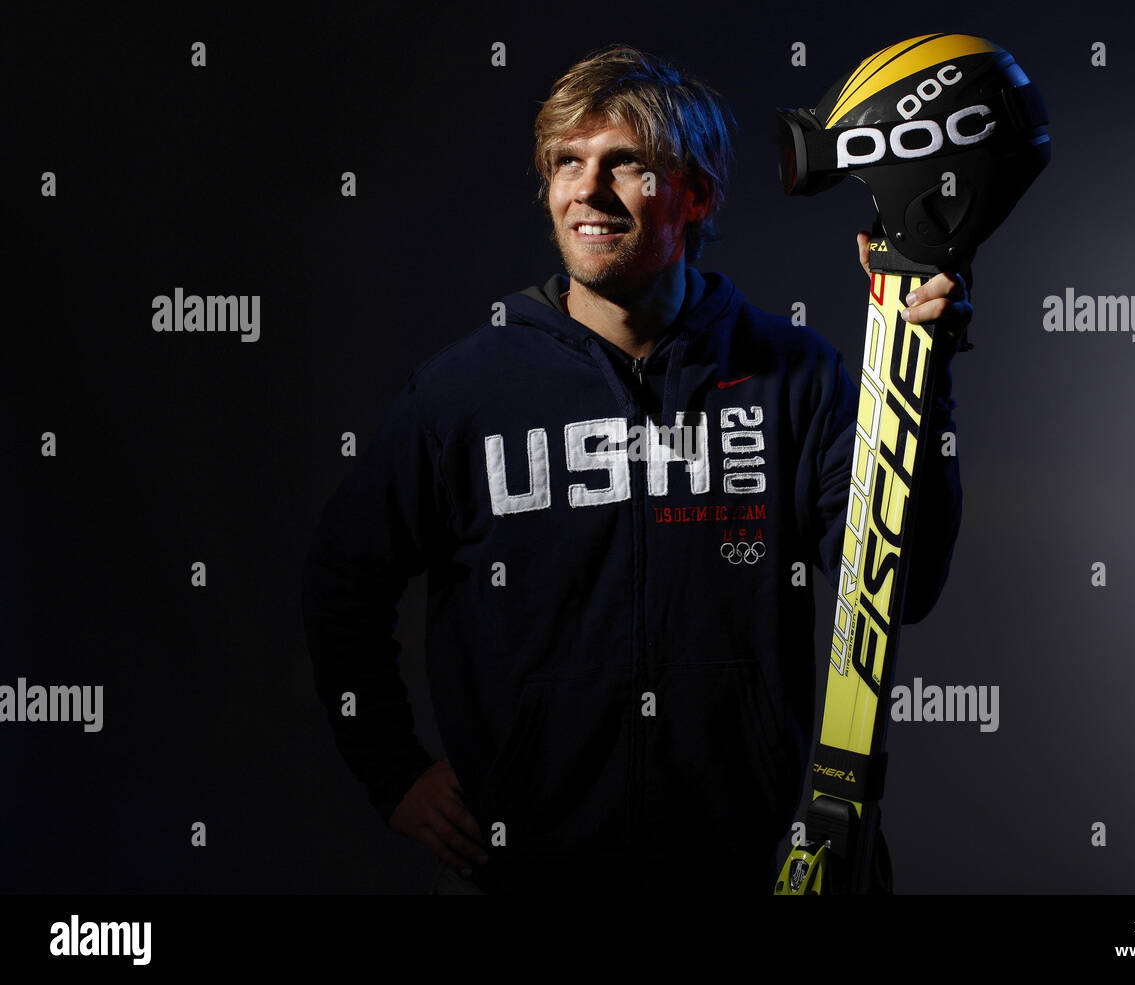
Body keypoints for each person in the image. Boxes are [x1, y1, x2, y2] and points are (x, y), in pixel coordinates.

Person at [301, 43, 970, 895]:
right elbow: (339, 584)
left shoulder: (796, 376)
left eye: (626, 165)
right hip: (523, 873)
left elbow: (897, 587)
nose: (587, 189)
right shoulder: (464, 393)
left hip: (739, 868)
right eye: (567, 163)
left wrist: (920, 383)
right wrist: (392, 770)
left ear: (696, 193)